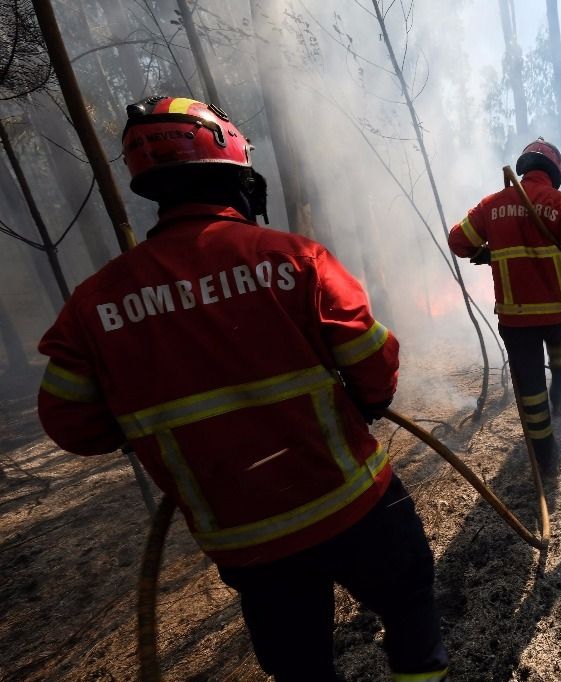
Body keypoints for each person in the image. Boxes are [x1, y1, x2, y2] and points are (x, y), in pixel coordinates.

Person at [36, 96, 449, 682]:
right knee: (409, 609)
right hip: (352, 501)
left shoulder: (94, 305)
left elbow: (69, 423)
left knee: (300, 665)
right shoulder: (294, 258)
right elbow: (372, 359)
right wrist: (368, 401)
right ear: (233, 173)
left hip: (247, 536)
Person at [447, 138, 561, 472]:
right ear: (555, 171)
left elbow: (457, 241)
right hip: (559, 312)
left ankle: (545, 455)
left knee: (530, 387)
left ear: (524, 166)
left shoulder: (490, 206)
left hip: (515, 320)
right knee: (560, 353)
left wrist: (483, 252)